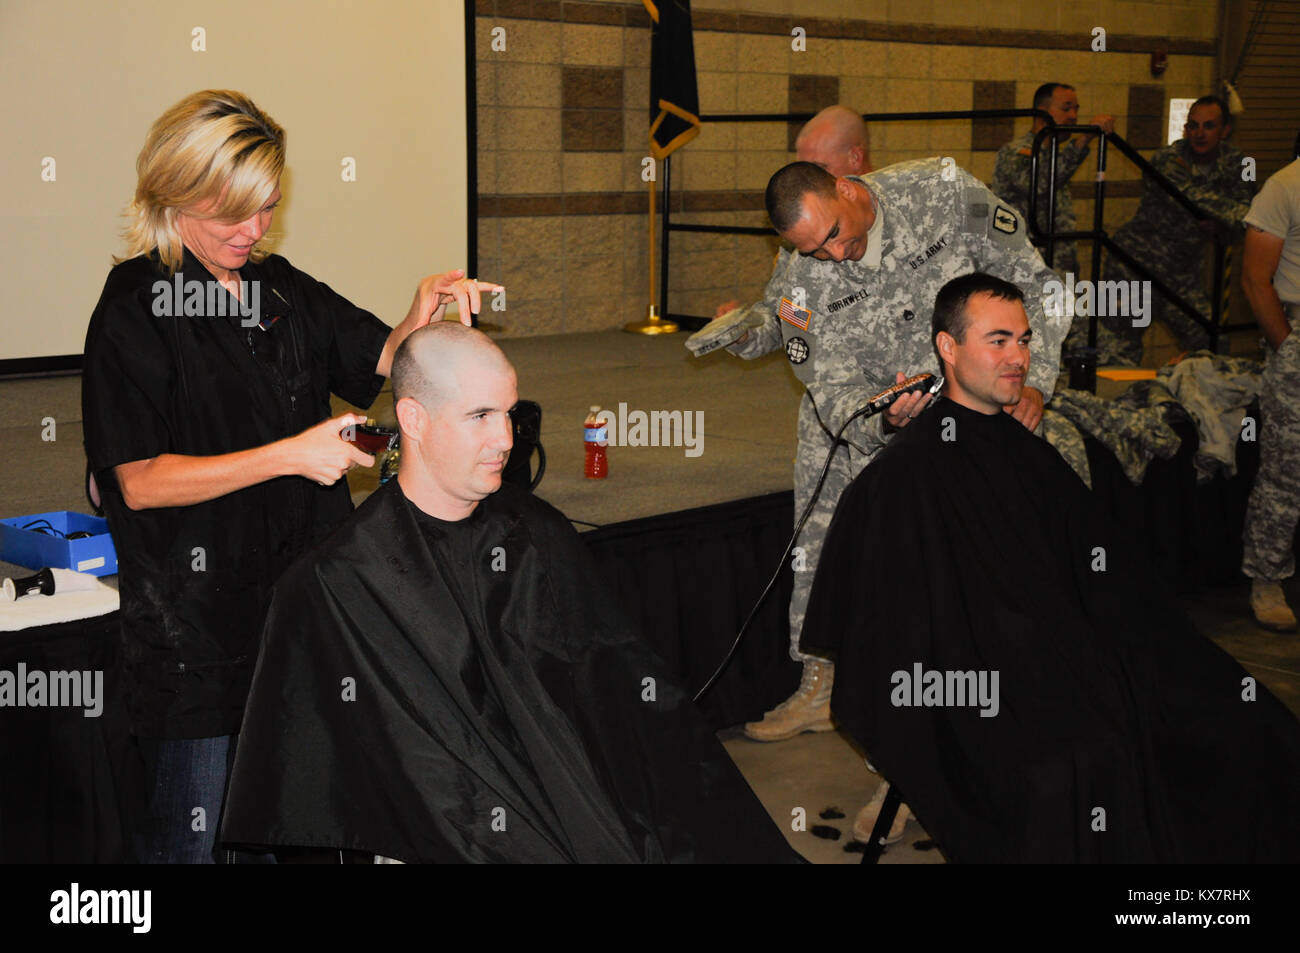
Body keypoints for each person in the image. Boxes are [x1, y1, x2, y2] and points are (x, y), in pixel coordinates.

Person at [81, 89, 500, 864]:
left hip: (299, 607)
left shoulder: (277, 285)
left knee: (304, 820)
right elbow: (136, 481)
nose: (252, 231)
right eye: (230, 213)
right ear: (171, 196)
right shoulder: (133, 308)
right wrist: (292, 453)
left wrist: (420, 317)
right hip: (196, 628)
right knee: (196, 839)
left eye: (266, 208)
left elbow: (379, 359)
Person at [219, 323, 801, 863]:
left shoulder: (537, 533)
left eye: (508, 412)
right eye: (479, 416)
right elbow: (354, 781)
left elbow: (618, 692)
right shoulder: (339, 581)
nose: (505, 438)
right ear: (414, 420)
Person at [800, 272, 1300, 861]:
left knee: (1247, 721)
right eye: (998, 341)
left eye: (1024, 340)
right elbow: (898, 637)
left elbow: (1103, 575)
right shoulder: (904, 477)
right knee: (1085, 760)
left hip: (1082, 649)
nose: (1019, 358)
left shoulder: (1027, 447)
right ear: (947, 348)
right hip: (982, 683)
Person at [687, 158, 1070, 836]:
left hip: (992, 418)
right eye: (815, 248)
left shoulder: (943, 191)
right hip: (900, 443)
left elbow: (1041, 285)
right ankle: (899, 766)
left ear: (845, 183)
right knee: (894, 602)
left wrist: (1032, 377)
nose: (835, 252)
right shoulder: (803, 275)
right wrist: (880, 417)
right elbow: (827, 388)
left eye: (835, 232)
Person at [1102, 95, 1254, 365]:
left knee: (1213, 343)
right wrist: (1230, 216)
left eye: (1208, 126)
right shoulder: (1168, 158)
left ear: (1225, 130)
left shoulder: (1242, 164)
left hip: (1182, 273)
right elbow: (1191, 197)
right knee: (1118, 350)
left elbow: (1249, 210)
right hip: (1136, 266)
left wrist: (1222, 224)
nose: (1199, 134)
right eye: (1192, 126)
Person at [711, 105, 874, 321]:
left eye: (819, 168)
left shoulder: (906, 209)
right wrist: (745, 327)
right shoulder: (803, 231)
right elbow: (792, 317)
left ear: (855, 157)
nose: (806, 181)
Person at [993, 83, 1115, 318]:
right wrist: (1082, 141)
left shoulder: (1055, 155)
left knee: (1074, 335)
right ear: (1042, 111)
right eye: (1066, 108)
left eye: (1076, 109)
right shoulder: (1016, 152)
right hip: (1031, 270)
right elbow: (1038, 184)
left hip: (1060, 264)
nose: (1074, 116)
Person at [1240, 156, 1300, 631]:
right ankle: (1267, 577)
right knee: (1287, 468)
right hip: (1296, 332)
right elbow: (1255, 278)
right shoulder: (1285, 185)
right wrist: (1286, 346)